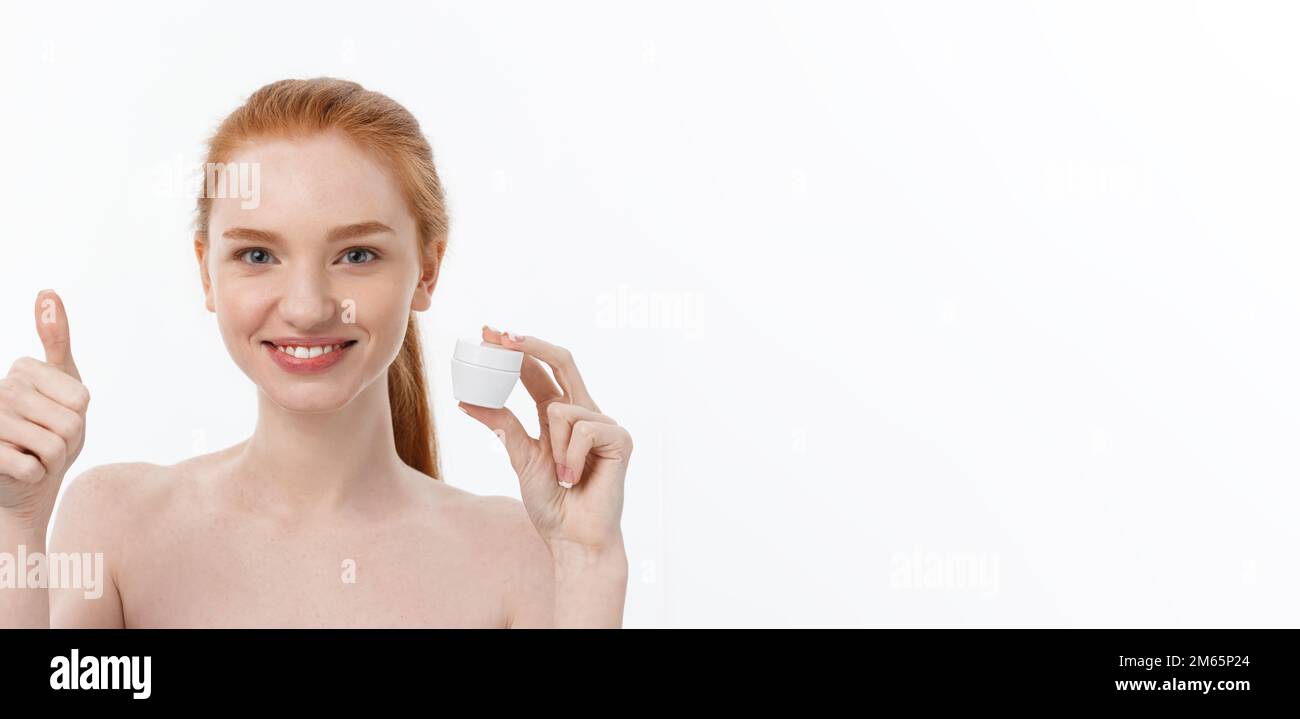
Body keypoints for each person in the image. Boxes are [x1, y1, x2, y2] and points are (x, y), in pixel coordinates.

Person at [0, 78, 632, 628]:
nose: (306, 307)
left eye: (357, 255)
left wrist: (587, 564)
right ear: (207, 274)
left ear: (427, 271)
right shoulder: (115, 524)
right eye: (257, 255)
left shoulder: (521, 552)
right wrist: (16, 523)